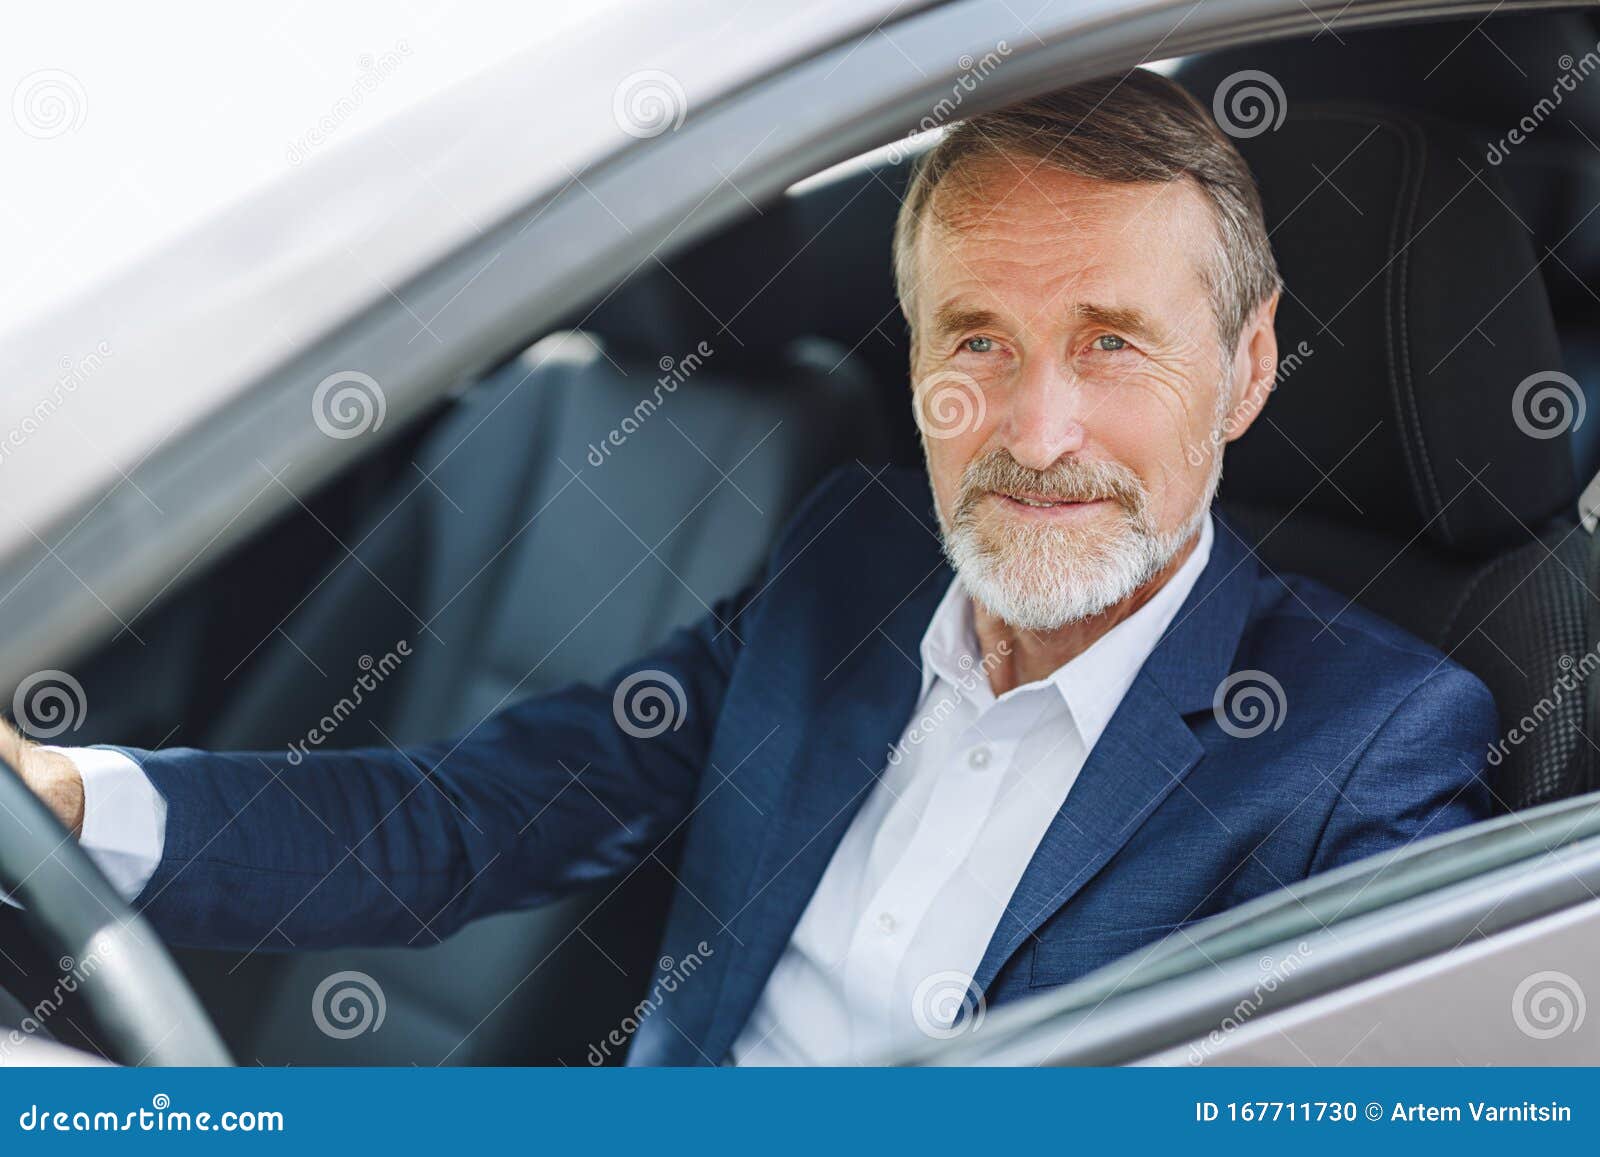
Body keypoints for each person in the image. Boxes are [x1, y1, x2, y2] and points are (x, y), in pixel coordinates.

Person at [5, 70, 1496, 1065]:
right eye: (977, 340)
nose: (1039, 432)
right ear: (910, 358)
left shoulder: (1364, 748)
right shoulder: (848, 568)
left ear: (1243, 371)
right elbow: (468, 819)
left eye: (1113, 345)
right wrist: (73, 803)